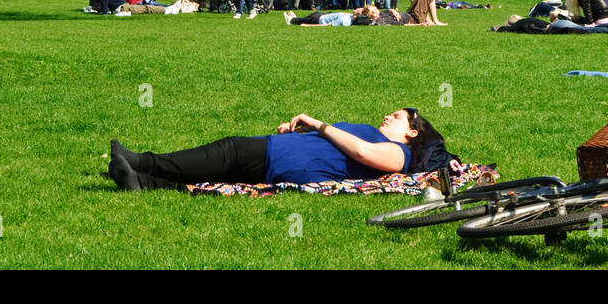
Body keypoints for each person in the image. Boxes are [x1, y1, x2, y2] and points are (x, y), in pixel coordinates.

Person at [107, 107, 446, 191]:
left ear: (411, 133)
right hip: (281, 155)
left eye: (397, 116)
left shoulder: (399, 155)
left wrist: (318, 124)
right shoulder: (378, 135)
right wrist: (300, 132)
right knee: (217, 174)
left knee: (227, 152)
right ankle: (140, 181)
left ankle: (143, 162)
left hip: (276, 158)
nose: (388, 116)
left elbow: (362, 154)